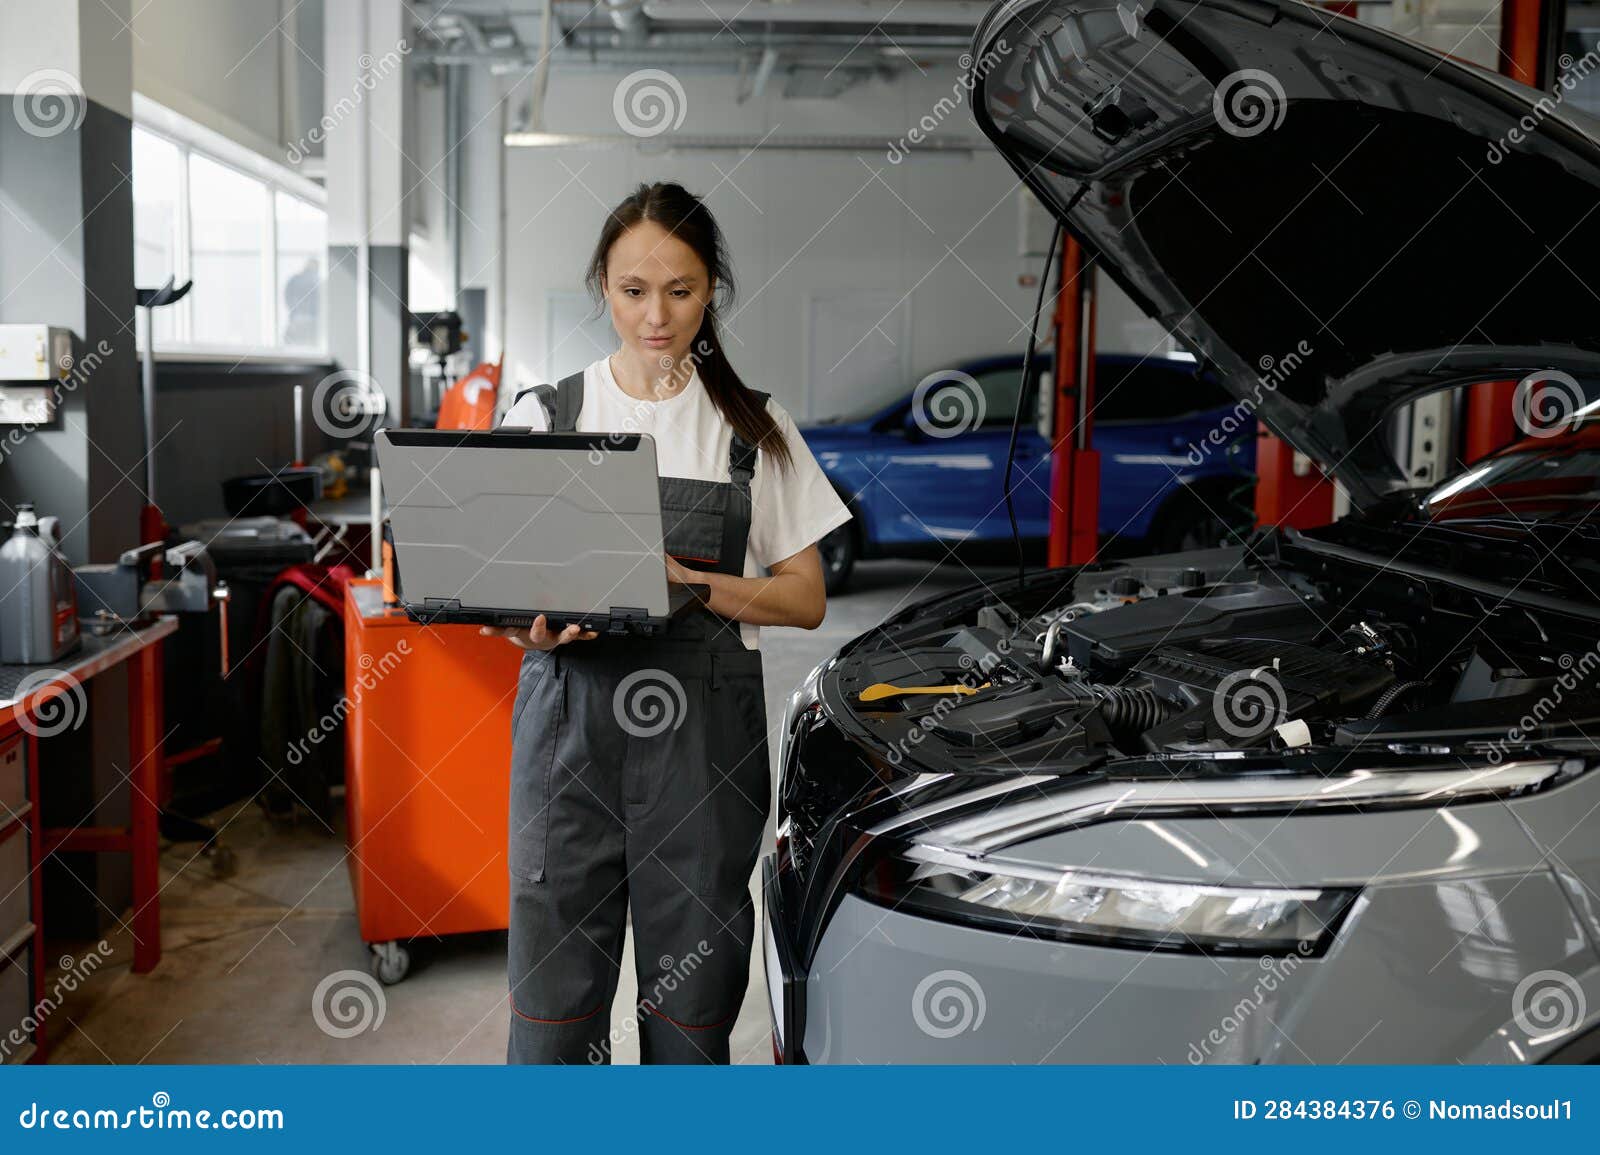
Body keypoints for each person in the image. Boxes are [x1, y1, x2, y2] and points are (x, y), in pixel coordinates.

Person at [486, 181, 851, 1064]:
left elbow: (805, 595)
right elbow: (503, 591)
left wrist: (696, 582)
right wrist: (530, 631)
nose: (656, 315)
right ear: (603, 289)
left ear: (710, 290)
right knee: (552, 1010)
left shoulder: (752, 428)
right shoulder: (546, 416)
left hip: (702, 752)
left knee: (691, 1015)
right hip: (568, 739)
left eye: (680, 291)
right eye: (633, 290)